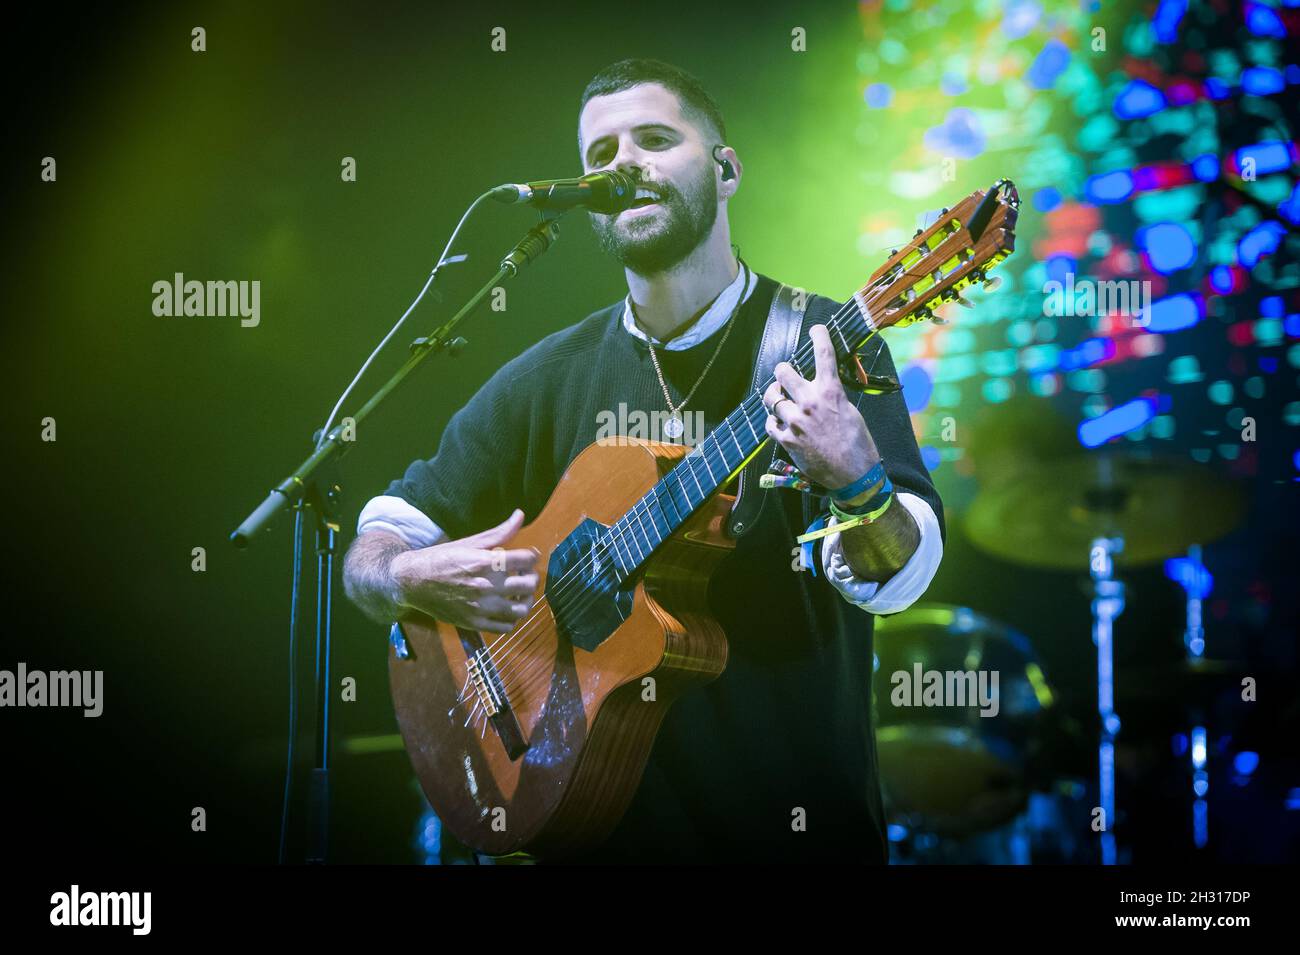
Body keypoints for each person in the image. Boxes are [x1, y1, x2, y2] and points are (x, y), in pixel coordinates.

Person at [343, 58, 944, 864]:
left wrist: (859, 480)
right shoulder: (545, 375)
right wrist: (406, 576)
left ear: (726, 170)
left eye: (656, 139)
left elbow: (903, 576)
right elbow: (382, 534)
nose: (624, 165)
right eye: (600, 155)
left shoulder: (828, 347)